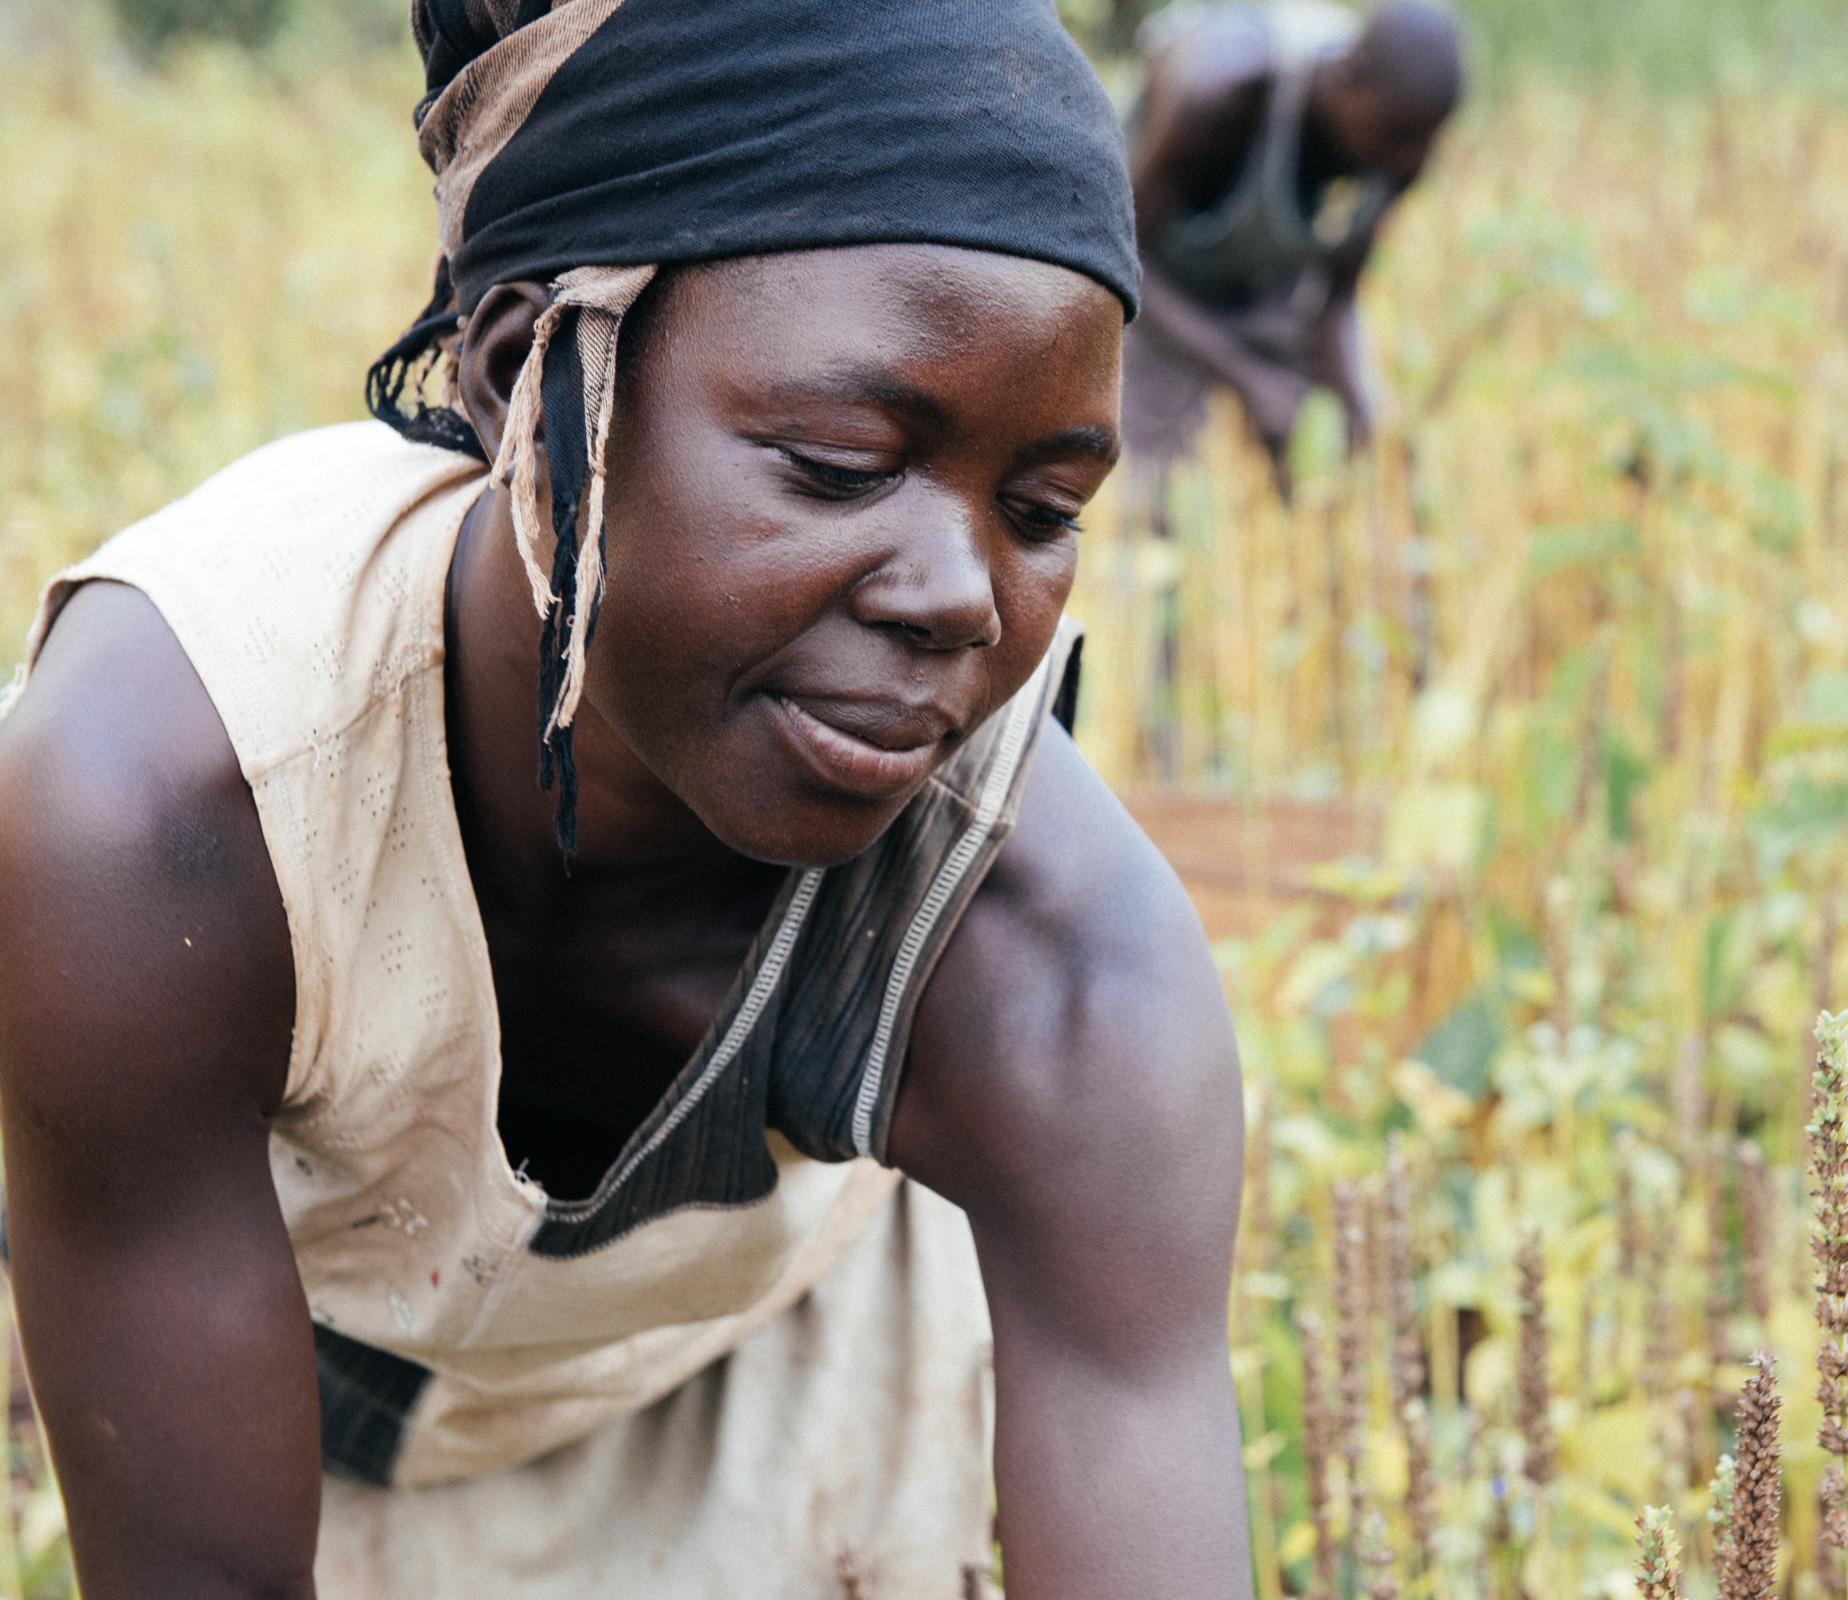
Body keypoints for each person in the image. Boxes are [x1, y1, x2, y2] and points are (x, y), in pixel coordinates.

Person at [0, 4, 1253, 1597]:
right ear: (530, 370)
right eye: (839, 461)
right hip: (301, 1372)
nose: (962, 599)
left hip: (759, 1381)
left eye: (1041, 507)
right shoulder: (174, 804)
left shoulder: (1044, 953)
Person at [1122, 0, 1464, 500]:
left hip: (1265, 284)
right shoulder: (1218, 97)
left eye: (1425, 142)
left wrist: (1358, 411)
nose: (1409, 161)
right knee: (1156, 497)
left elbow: (1337, 296)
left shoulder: (1403, 137)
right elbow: (1122, 265)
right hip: (1156, 292)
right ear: (1352, 82)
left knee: (1317, 471)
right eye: (1399, 138)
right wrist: (1251, 377)